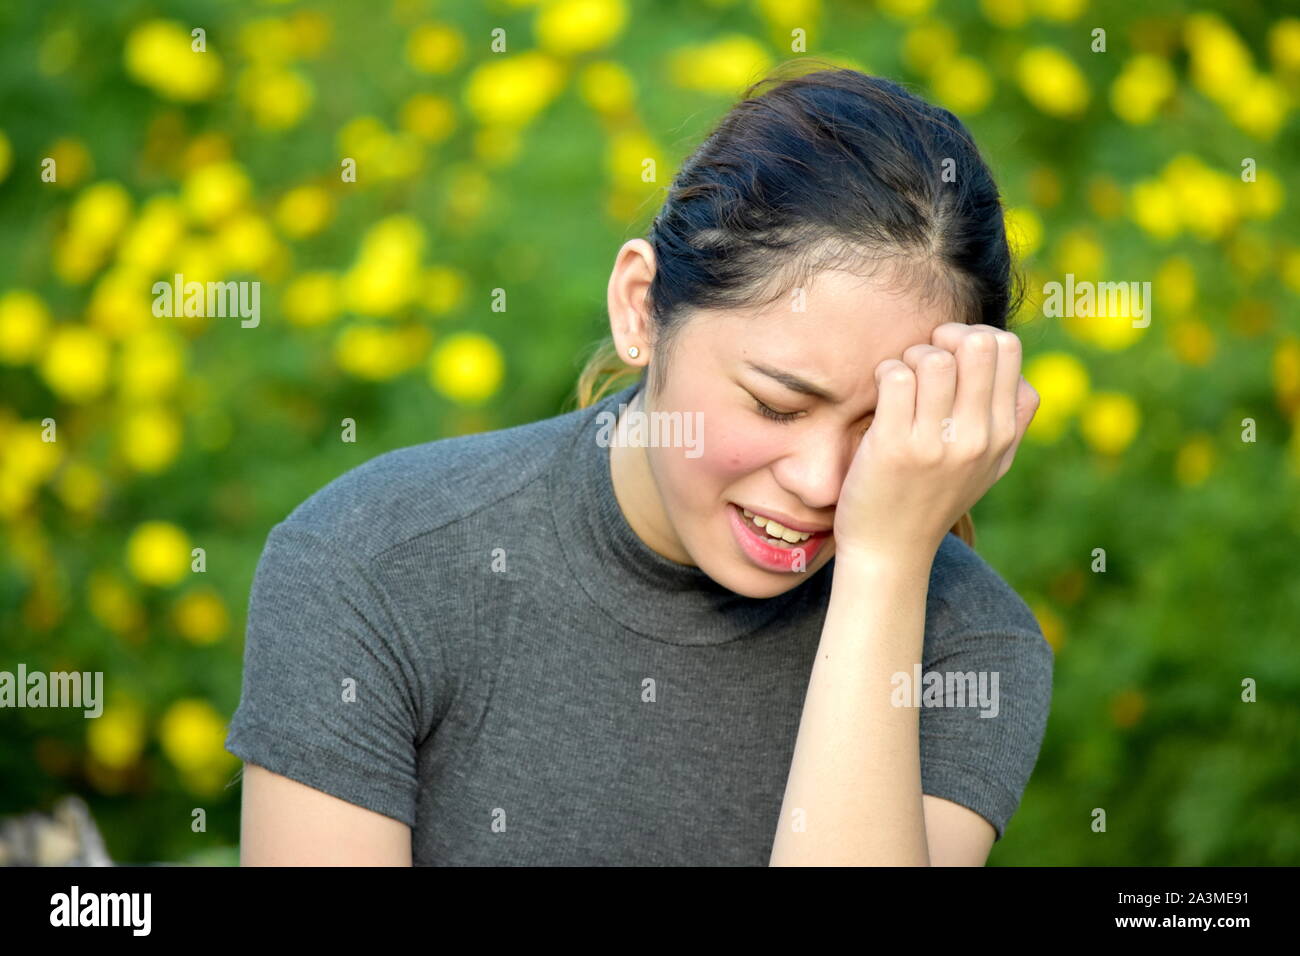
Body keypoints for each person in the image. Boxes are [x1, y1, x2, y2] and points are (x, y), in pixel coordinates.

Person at [227, 62, 1052, 866]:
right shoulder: (372, 563)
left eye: (883, 429)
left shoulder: (963, 645)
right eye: (776, 404)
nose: (822, 483)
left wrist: (884, 570)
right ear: (640, 310)